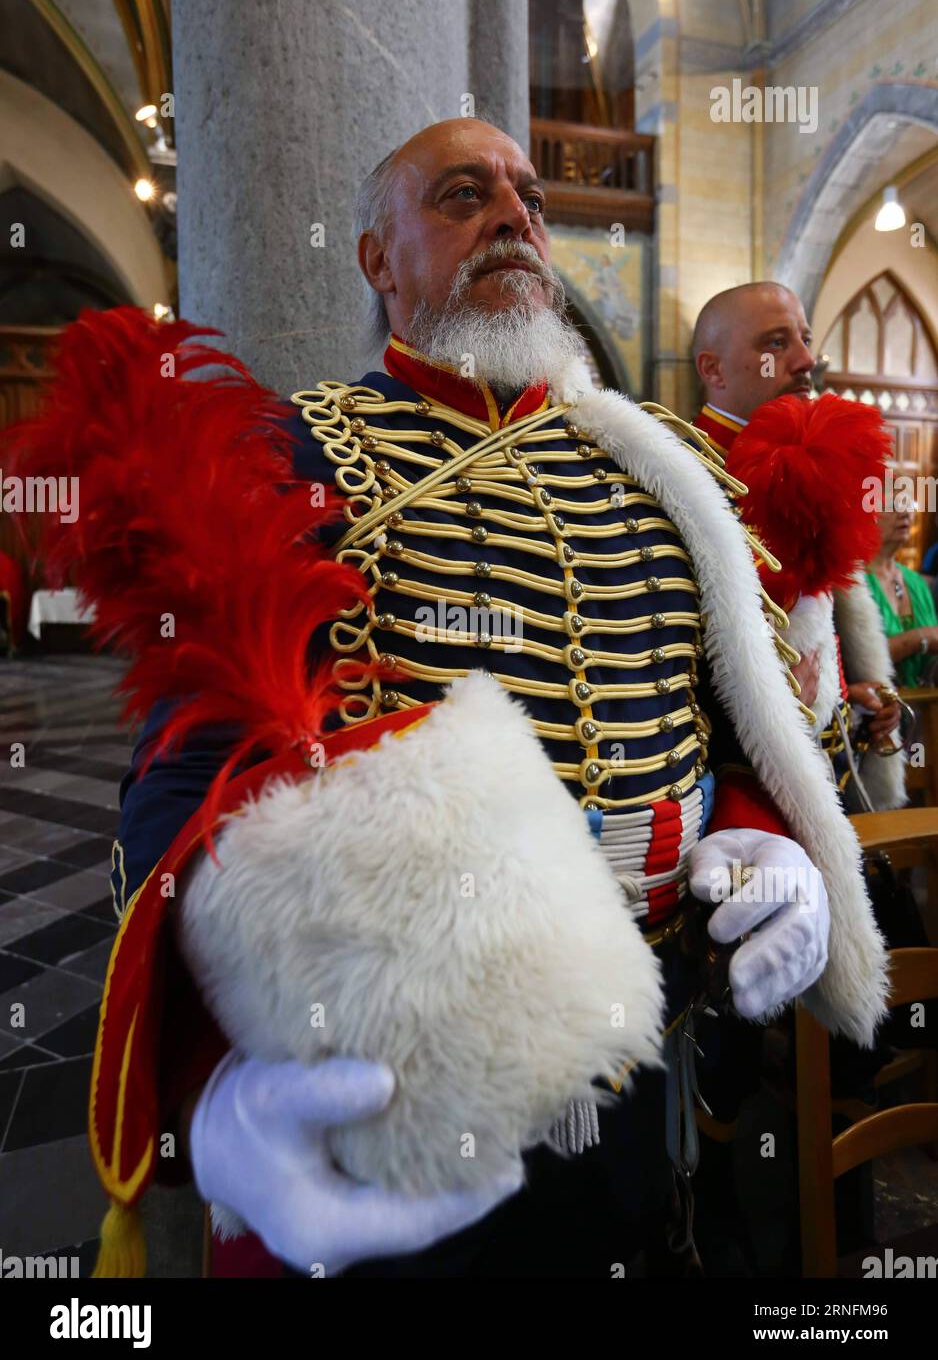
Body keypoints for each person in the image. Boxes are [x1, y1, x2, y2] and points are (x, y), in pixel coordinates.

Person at [15, 122, 888, 1280]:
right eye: (463, 196)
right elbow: (187, 777)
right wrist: (214, 1078)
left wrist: (761, 831)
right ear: (376, 261)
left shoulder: (664, 467)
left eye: (526, 199)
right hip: (402, 1079)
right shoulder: (293, 450)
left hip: (652, 1043)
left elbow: (736, 723)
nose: (513, 218)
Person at [692, 281, 904, 807]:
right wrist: (772, 707)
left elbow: (810, 639)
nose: (807, 360)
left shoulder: (807, 464)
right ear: (712, 370)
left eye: (806, 339)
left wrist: (844, 701)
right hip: (729, 805)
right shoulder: (682, 480)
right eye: (775, 343)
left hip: (821, 780)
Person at [867, 501, 938, 687]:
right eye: (891, 505)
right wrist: (920, 638)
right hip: (872, 710)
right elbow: (855, 661)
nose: (904, 512)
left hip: (922, 708)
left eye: (908, 504)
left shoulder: (916, 582)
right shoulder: (852, 582)